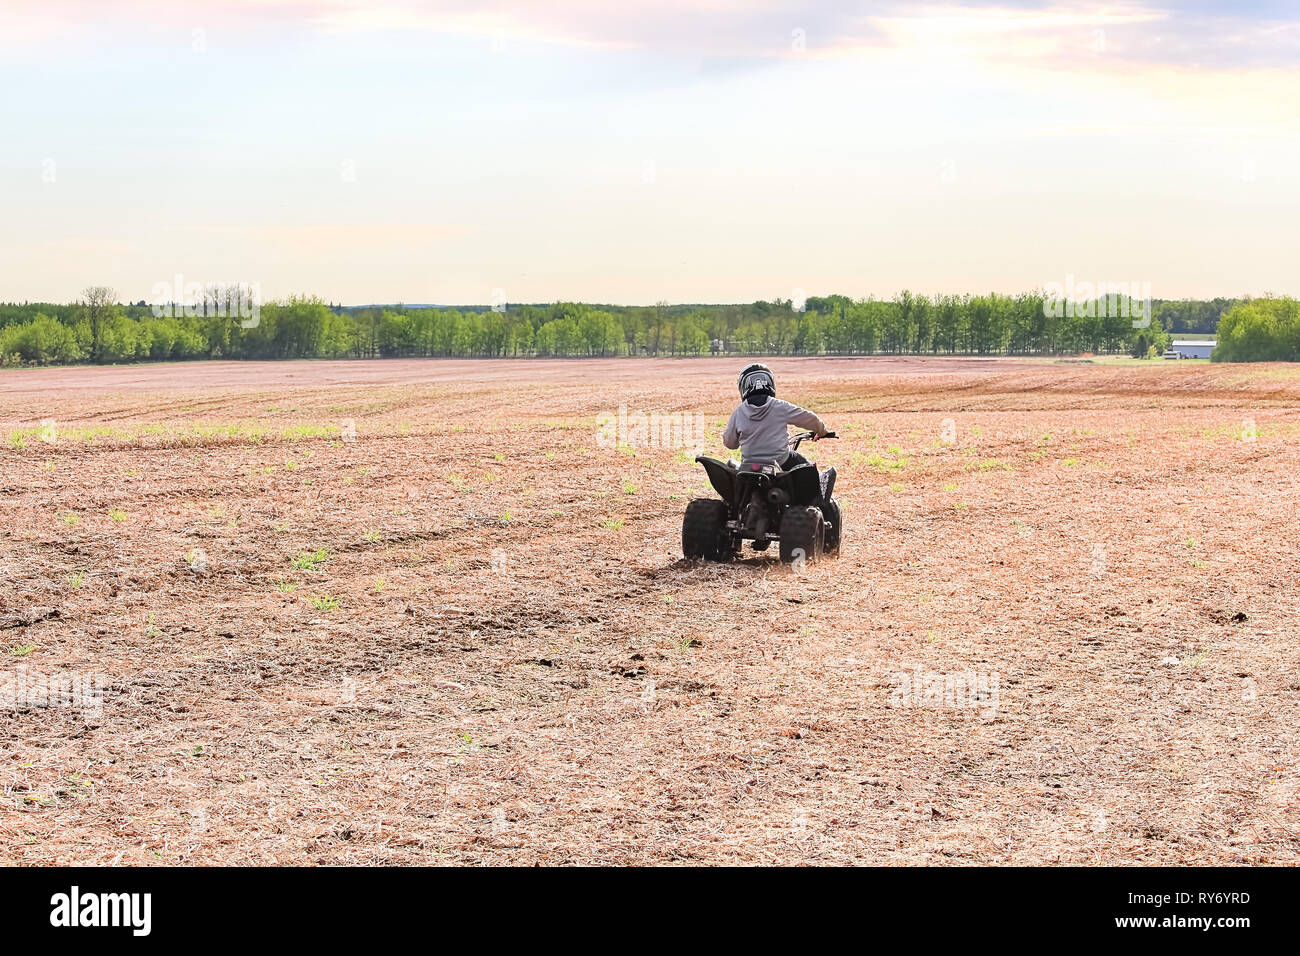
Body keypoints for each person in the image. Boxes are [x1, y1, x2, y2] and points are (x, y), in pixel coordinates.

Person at [722, 363, 828, 467]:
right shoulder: (780, 406)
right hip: (781, 461)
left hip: (749, 465)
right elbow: (810, 419)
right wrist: (822, 431)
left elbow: (730, 444)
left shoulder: (738, 412)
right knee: (808, 469)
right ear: (770, 383)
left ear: (743, 386)